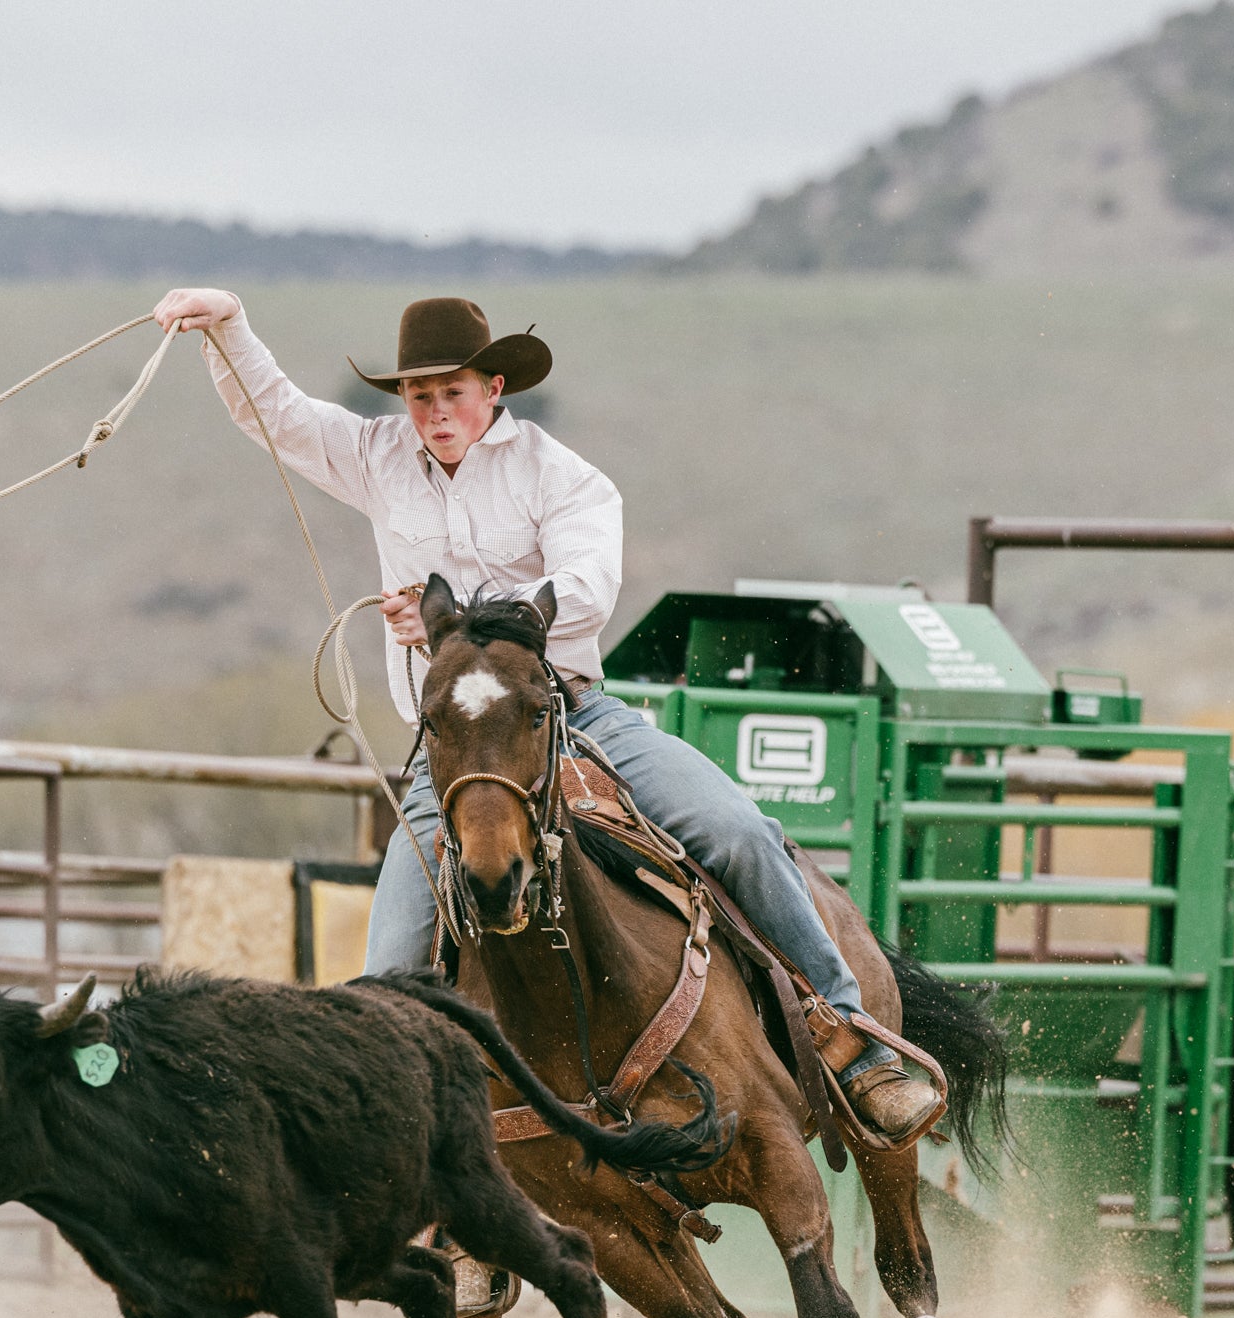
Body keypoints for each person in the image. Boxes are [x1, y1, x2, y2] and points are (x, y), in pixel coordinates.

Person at [143, 288, 945, 1144]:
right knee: (392, 955)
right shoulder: (377, 456)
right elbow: (277, 416)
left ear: (494, 389)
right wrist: (226, 325)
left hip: (574, 713)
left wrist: (455, 622)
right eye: (419, 395)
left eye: (453, 392)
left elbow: (586, 593)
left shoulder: (564, 479)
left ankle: (852, 1040)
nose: (436, 411)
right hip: (454, 750)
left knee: (738, 831)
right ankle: (427, 1172)